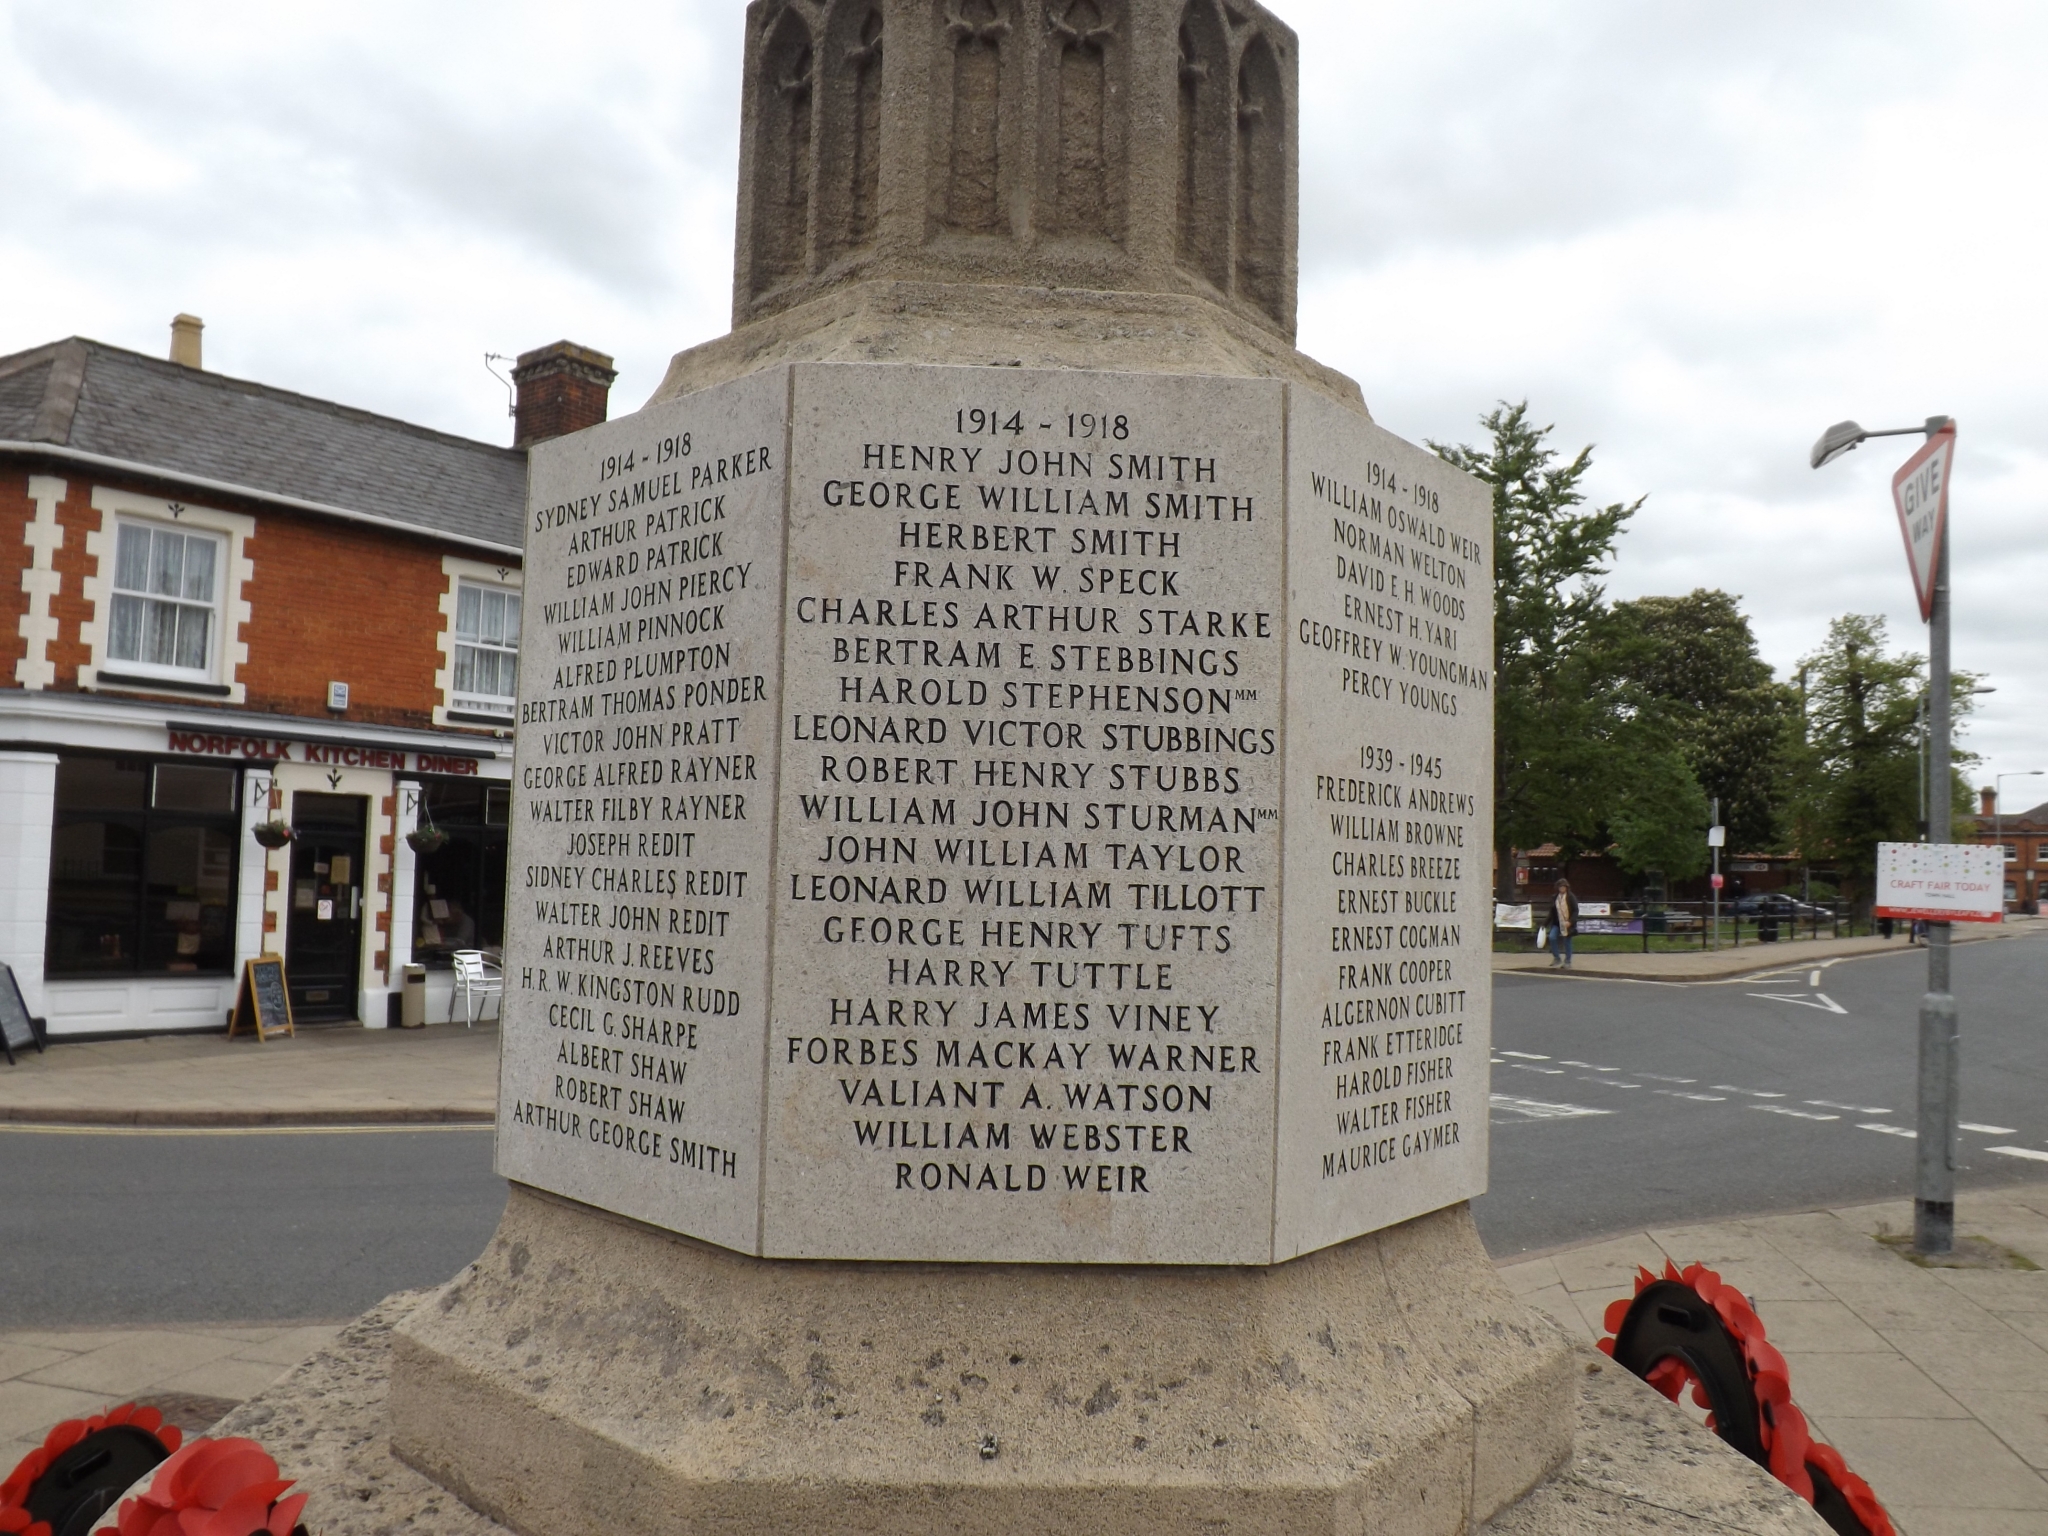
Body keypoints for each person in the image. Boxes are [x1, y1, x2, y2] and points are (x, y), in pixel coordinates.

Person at [1547, 878, 1580, 969]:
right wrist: (1545, 923)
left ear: (1566, 887)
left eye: (1563, 887)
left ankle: (1568, 961)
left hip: (1567, 923)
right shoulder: (1555, 897)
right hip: (1557, 923)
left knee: (1567, 942)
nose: (1562, 888)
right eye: (1560, 887)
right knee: (1552, 937)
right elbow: (1552, 912)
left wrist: (1570, 921)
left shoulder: (1570, 897)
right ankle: (1557, 957)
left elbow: (1575, 910)